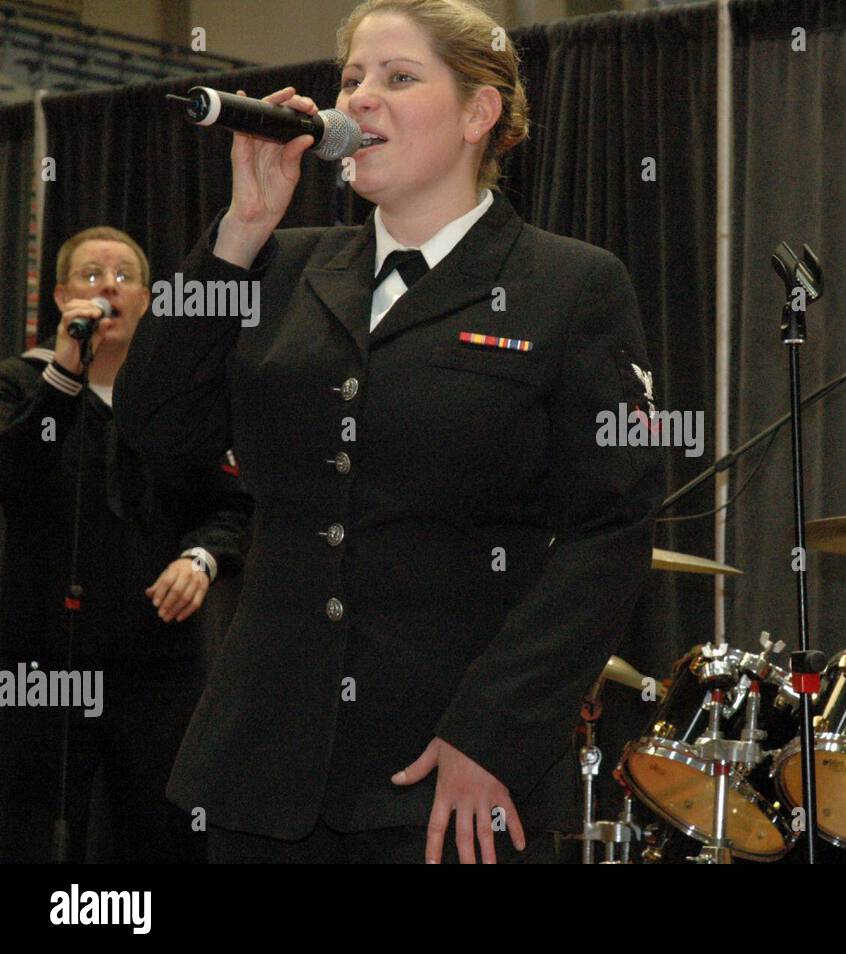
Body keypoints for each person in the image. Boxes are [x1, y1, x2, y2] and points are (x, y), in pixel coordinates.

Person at [116, 0, 664, 863]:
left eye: (398, 78)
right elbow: (154, 416)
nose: (362, 97)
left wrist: (496, 733)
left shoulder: (571, 285)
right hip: (262, 764)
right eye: (352, 78)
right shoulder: (284, 264)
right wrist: (241, 228)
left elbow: (612, 529)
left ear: (479, 115)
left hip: (445, 772)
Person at [0, 227, 252, 863]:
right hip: (43, 666)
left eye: (123, 276)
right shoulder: (21, 385)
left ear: (147, 300)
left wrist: (203, 558)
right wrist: (62, 376)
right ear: (61, 298)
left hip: (155, 666)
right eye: (89, 275)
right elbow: (12, 474)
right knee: (37, 831)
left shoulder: (180, 405)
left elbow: (234, 506)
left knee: (158, 833)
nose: (106, 286)